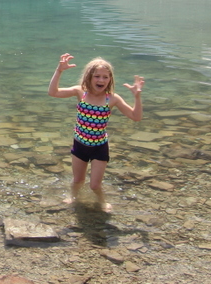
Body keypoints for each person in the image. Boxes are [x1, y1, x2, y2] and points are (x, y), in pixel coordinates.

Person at [48, 53, 144, 211]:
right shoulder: (81, 92)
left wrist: (137, 97)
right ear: (89, 77)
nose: (101, 80)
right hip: (80, 144)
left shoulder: (112, 99)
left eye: (105, 77)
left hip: (99, 146)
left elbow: (136, 117)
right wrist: (59, 71)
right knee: (78, 180)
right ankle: (73, 197)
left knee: (94, 185)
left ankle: (102, 201)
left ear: (110, 79)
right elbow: (53, 92)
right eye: (97, 76)